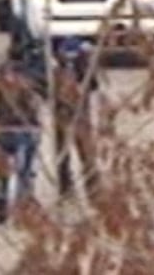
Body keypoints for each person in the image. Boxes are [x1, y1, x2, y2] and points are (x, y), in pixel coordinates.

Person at [0, 43, 42, 224]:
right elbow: (34, 103)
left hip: (2, 129)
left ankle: (0, 210)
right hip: (25, 129)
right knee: (25, 173)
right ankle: (22, 211)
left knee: (2, 173)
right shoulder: (29, 78)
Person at [53, 38, 98, 198]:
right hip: (62, 115)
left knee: (86, 153)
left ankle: (92, 187)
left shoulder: (84, 70)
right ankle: (66, 187)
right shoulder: (56, 70)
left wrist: (89, 63)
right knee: (63, 154)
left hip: (81, 115)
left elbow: (93, 85)